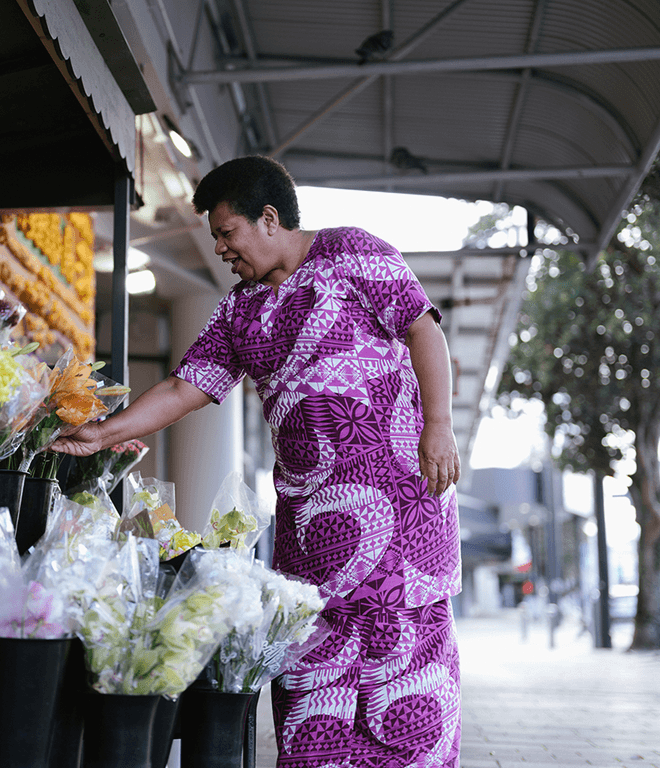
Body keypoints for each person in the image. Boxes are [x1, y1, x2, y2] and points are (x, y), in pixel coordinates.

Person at [52, 155, 462, 768]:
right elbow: (183, 387)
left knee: (405, 689)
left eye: (227, 231)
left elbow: (423, 328)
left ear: (269, 219)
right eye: (216, 236)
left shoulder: (356, 252)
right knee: (310, 699)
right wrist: (104, 434)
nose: (220, 247)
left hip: (402, 523)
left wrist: (439, 425)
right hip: (310, 537)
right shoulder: (240, 310)